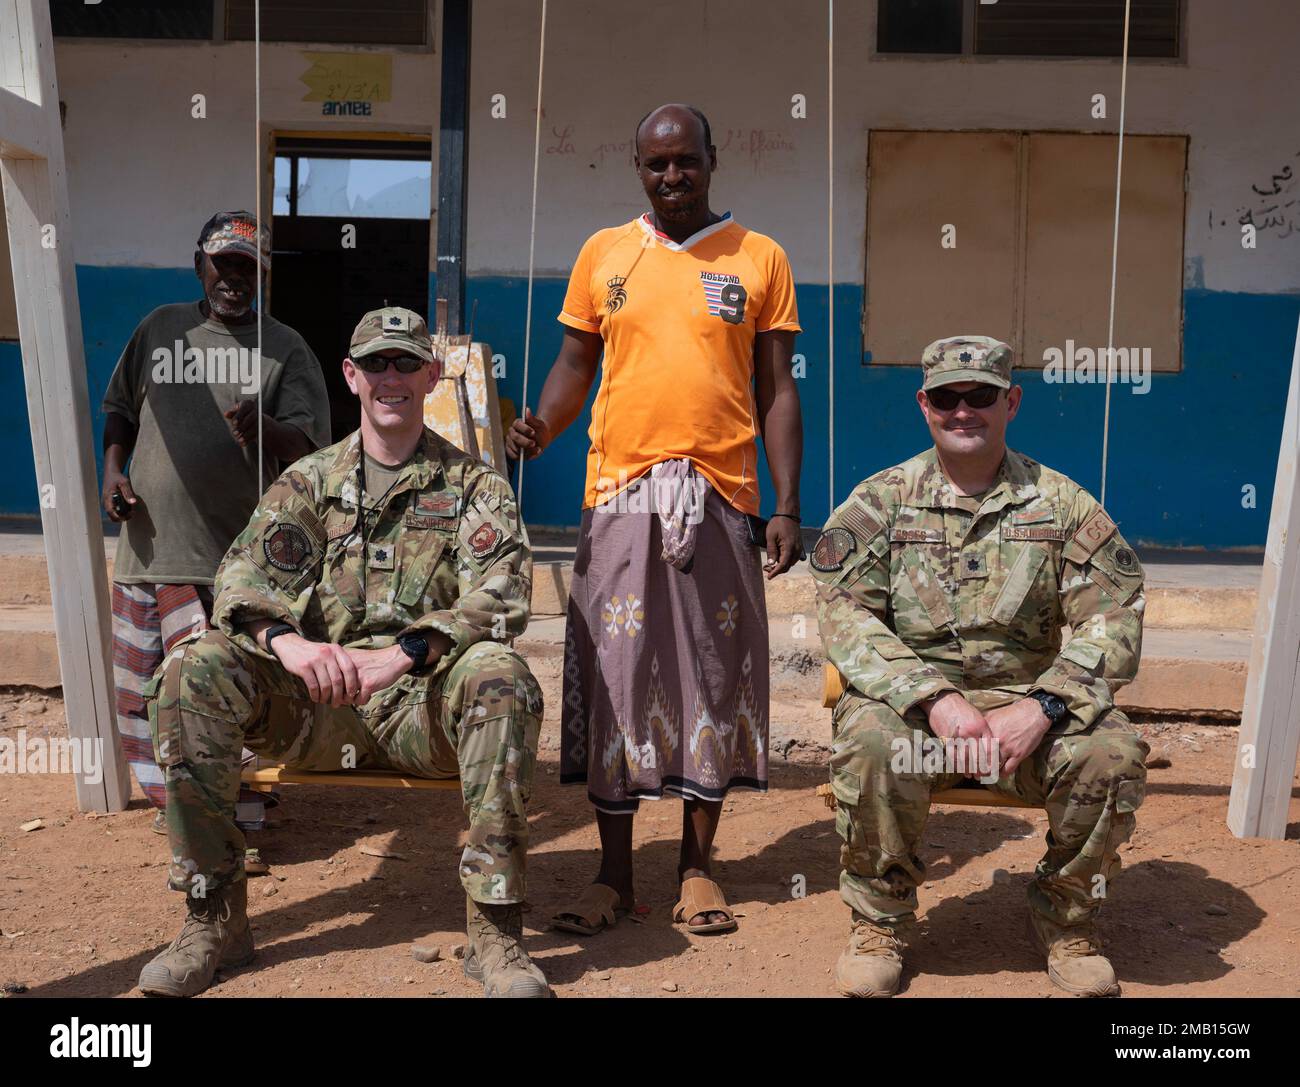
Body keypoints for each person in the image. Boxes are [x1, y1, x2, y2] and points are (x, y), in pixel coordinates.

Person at [137, 307, 547, 999]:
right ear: (351, 376)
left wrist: (406, 652)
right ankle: (214, 918)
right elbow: (242, 576)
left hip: (422, 710)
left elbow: (502, 593)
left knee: (501, 676)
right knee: (191, 668)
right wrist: (288, 643)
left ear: (432, 374)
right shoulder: (308, 482)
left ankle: (495, 933)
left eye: (406, 362)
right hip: (315, 710)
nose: (392, 377)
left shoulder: (474, 486)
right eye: (376, 363)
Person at [507, 103, 804, 936]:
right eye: (655, 164)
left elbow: (778, 388)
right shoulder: (605, 253)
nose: (672, 177)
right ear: (636, 167)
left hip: (722, 496)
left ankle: (699, 868)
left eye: (686, 161)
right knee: (619, 678)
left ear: (714, 158)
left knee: (710, 672)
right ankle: (613, 873)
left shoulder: (760, 257)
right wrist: (542, 423)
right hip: (620, 496)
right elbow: (576, 362)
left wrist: (786, 503)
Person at [812, 335, 1148, 998]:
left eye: (981, 395)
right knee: (872, 741)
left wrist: (1044, 706)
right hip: (918, 723)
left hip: (1026, 727)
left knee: (1111, 752)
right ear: (924, 404)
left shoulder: (1062, 505)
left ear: (1011, 401)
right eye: (946, 396)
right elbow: (843, 615)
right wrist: (933, 698)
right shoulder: (880, 502)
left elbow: (1117, 617)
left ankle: (1068, 918)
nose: (963, 409)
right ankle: (880, 923)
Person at [101, 211, 329, 827]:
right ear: (198, 264)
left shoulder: (284, 348)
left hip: (227, 562)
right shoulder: (160, 329)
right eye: (223, 264)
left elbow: (313, 450)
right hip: (146, 550)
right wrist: (113, 472)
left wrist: (269, 427)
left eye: (247, 268)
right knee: (138, 693)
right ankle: (178, 805)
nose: (234, 278)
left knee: (217, 693)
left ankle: (231, 818)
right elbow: (121, 407)